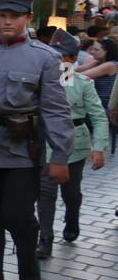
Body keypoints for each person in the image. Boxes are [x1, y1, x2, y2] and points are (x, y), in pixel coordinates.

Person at [0, 0, 74, 280]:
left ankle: (29, 271)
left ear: (28, 18)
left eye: (14, 15)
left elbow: (57, 111)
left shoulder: (47, 58)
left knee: (17, 216)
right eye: (1, 14)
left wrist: (59, 157)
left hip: (21, 152)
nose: (7, 21)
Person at [35, 31, 108, 258]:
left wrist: (98, 147)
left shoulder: (82, 83)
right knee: (45, 193)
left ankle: (72, 217)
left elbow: (98, 116)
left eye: (63, 57)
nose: (58, 61)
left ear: (72, 59)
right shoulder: (39, 80)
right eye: (54, 56)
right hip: (44, 144)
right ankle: (45, 238)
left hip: (75, 145)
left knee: (71, 191)